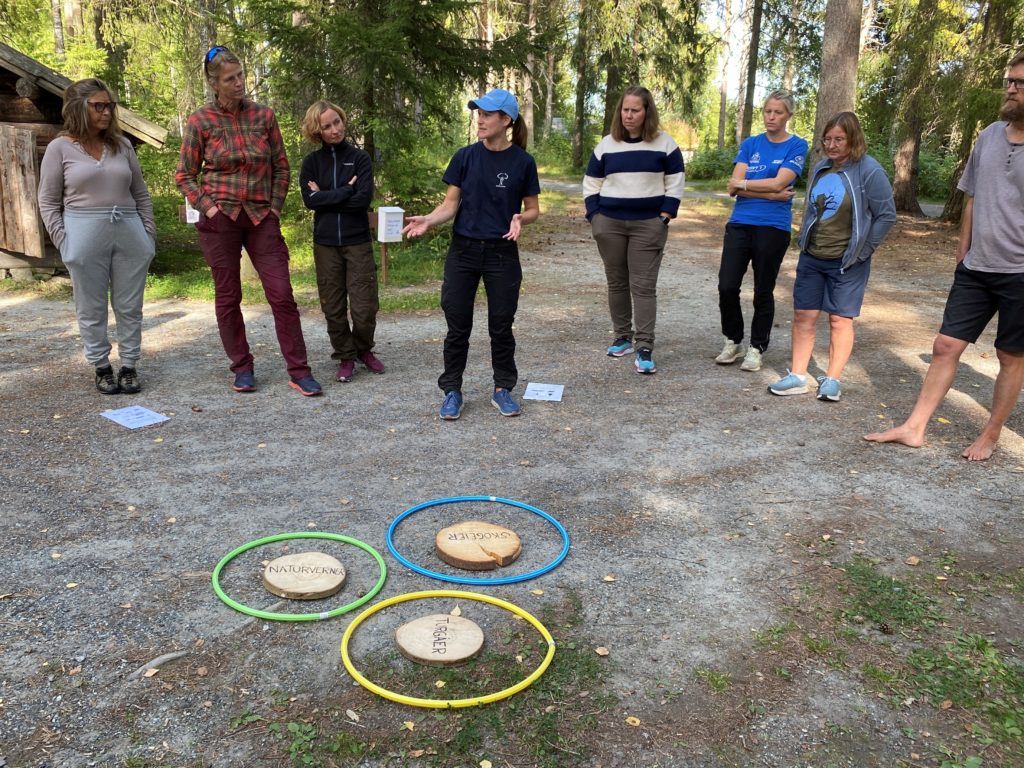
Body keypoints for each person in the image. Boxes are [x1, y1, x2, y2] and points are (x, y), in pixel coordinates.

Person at [865, 54, 1024, 460]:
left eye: (1020, 83)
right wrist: (963, 253)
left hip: (1020, 273)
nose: (1011, 88)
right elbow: (972, 198)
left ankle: (990, 435)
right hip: (976, 267)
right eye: (1010, 80)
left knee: (1010, 356)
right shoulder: (989, 136)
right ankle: (914, 427)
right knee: (945, 346)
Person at [175, 45, 321, 396]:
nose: (239, 83)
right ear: (215, 84)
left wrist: (274, 208)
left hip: (260, 217)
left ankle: (299, 370)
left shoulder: (264, 116)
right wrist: (208, 208)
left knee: (282, 294)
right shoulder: (200, 121)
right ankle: (242, 367)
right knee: (228, 296)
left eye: (241, 75)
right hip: (219, 219)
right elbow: (185, 176)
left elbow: (281, 166)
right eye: (230, 79)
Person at [402, 88, 540, 420]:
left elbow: (533, 208)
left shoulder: (523, 162)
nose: (480, 119)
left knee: (501, 326)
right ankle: (452, 391)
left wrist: (523, 218)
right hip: (463, 251)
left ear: (506, 120)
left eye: (487, 114)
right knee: (457, 326)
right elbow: (450, 205)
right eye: (478, 113)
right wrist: (429, 220)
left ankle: (502, 389)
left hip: (502, 254)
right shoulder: (465, 157)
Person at [38, 78, 156, 395]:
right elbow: (48, 202)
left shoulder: (122, 146)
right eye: (99, 106)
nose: (106, 112)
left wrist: (148, 238)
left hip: (129, 231)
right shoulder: (59, 148)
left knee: (130, 306)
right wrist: (66, 244)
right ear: (79, 107)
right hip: (83, 232)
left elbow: (141, 195)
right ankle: (102, 367)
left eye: (110, 105)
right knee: (91, 308)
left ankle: (129, 365)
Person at [768, 111, 896, 401]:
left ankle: (832, 379)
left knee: (840, 320)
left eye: (839, 139)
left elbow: (886, 216)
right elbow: (814, 209)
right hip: (813, 256)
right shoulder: (822, 168)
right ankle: (798, 376)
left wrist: (863, 251)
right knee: (804, 315)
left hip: (848, 260)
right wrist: (804, 239)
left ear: (853, 139)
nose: (832, 145)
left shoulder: (869, 170)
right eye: (827, 139)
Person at [582, 85, 685, 375]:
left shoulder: (665, 144)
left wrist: (663, 217)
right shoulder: (606, 145)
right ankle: (622, 337)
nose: (628, 115)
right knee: (616, 282)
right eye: (625, 110)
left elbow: (675, 183)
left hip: (647, 226)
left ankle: (644, 346)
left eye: (635, 110)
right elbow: (591, 183)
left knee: (642, 286)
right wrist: (596, 218)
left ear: (646, 112)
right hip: (610, 224)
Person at [716, 90, 807, 372]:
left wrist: (746, 186)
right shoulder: (751, 143)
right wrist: (766, 192)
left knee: (762, 290)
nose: (771, 116)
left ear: (788, 115)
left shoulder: (797, 146)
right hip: (740, 222)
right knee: (727, 285)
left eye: (778, 112)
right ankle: (734, 340)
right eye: (768, 111)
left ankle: (756, 347)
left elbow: (781, 183)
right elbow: (732, 185)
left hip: (773, 227)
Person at [298, 100, 383, 383]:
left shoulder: (360, 159)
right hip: (325, 244)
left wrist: (327, 196)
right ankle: (345, 356)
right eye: (327, 126)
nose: (335, 129)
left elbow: (362, 200)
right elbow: (310, 202)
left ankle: (363, 349)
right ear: (317, 131)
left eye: (337, 122)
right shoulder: (311, 163)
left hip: (357, 240)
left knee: (364, 306)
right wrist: (346, 189)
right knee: (332, 306)